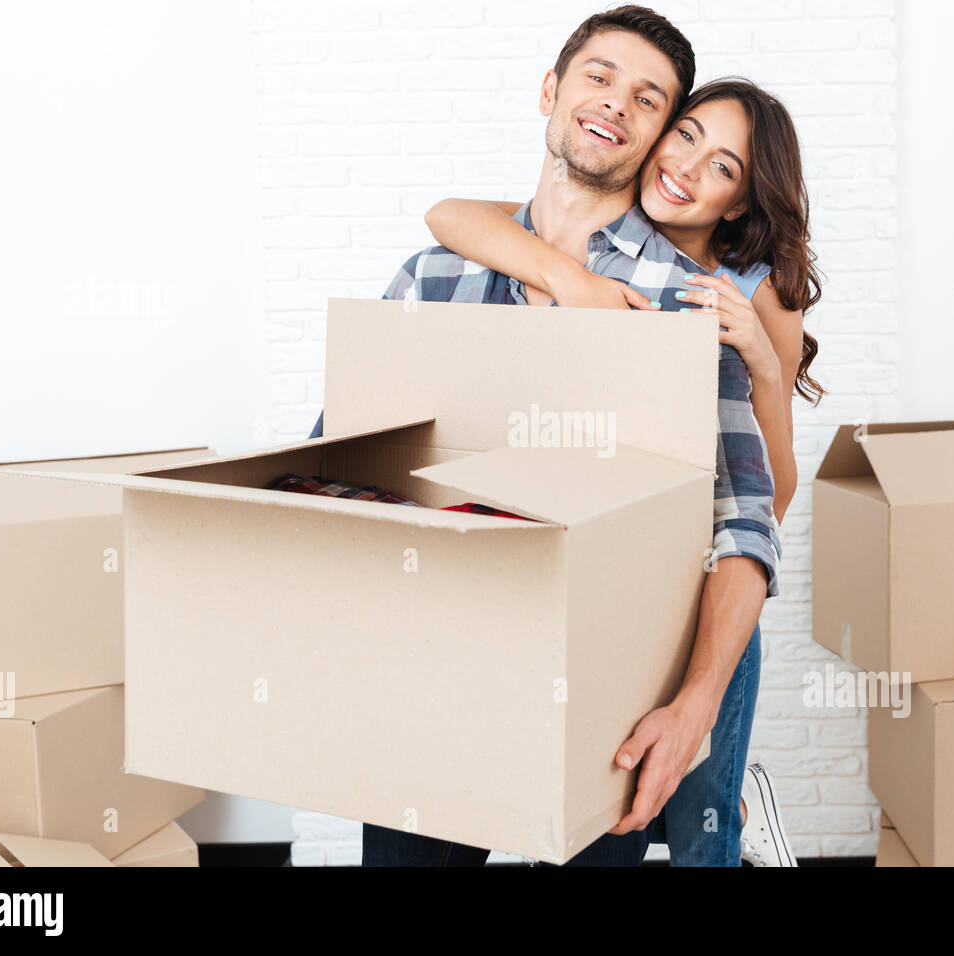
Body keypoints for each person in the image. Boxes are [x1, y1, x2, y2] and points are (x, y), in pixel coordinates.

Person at [308, 5, 788, 866]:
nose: (615, 105)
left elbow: (747, 520)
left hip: (599, 709)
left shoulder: (687, 306)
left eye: (649, 100)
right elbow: (334, 471)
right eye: (599, 77)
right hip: (431, 690)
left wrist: (694, 711)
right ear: (551, 90)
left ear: (654, 141)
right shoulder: (434, 272)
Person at [423, 77, 823, 866]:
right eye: (686, 134)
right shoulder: (595, 241)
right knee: (614, 802)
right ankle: (735, 797)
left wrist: (764, 370)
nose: (688, 166)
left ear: (740, 201)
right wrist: (572, 282)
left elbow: (767, 500)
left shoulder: (755, 290)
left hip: (707, 587)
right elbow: (448, 218)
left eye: (723, 167)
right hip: (609, 584)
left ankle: (738, 815)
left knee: (696, 829)